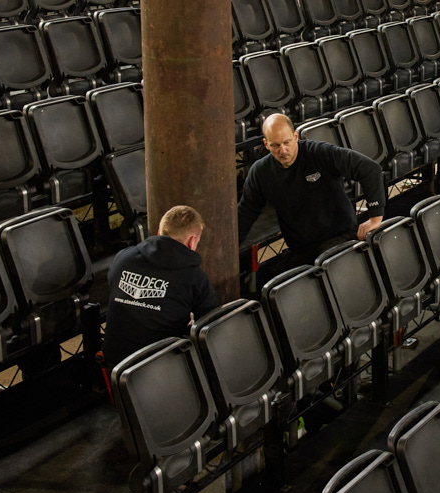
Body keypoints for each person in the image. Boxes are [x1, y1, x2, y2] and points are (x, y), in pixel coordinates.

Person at [237, 112, 387, 282]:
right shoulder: (260, 172)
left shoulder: (318, 152)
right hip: (301, 248)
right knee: (277, 288)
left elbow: (370, 169)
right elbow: (246, 212)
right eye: (275, 145)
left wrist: (375, 216)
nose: (283, 150)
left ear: (295, 136)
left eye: (287, 142)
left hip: (339, 236)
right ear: (266, 144)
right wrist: (230, 248)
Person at [103, 204, 221, 372]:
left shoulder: (124, 257)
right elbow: (211, 325)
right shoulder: (194, 278)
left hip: (116, 362)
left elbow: (113, 287)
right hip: (160, 365)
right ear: (192, 240)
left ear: (160, 232)